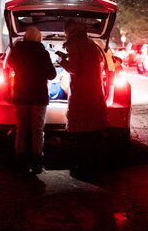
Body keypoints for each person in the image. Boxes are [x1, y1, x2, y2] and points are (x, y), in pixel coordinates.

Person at [58, 20, 109, 178]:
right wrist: (67, 57)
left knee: (80, 135)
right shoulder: (91, 44)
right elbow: (91, 63)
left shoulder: (74, 44)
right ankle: (94, 167)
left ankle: (80, 169)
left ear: (69, 31)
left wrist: (62, 61)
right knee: (93, 135)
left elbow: (74, 68)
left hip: (81, 94)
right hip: (94, 93)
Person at [7, 26, 57, 174]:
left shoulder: (17, 51)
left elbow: (10, 64)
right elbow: (52, 75)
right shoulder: (43, 53)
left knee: (22, 128)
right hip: (38, 97)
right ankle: (36, 162)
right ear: (39, 38)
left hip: (21, 96)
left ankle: (20, 162)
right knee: (37, 129)